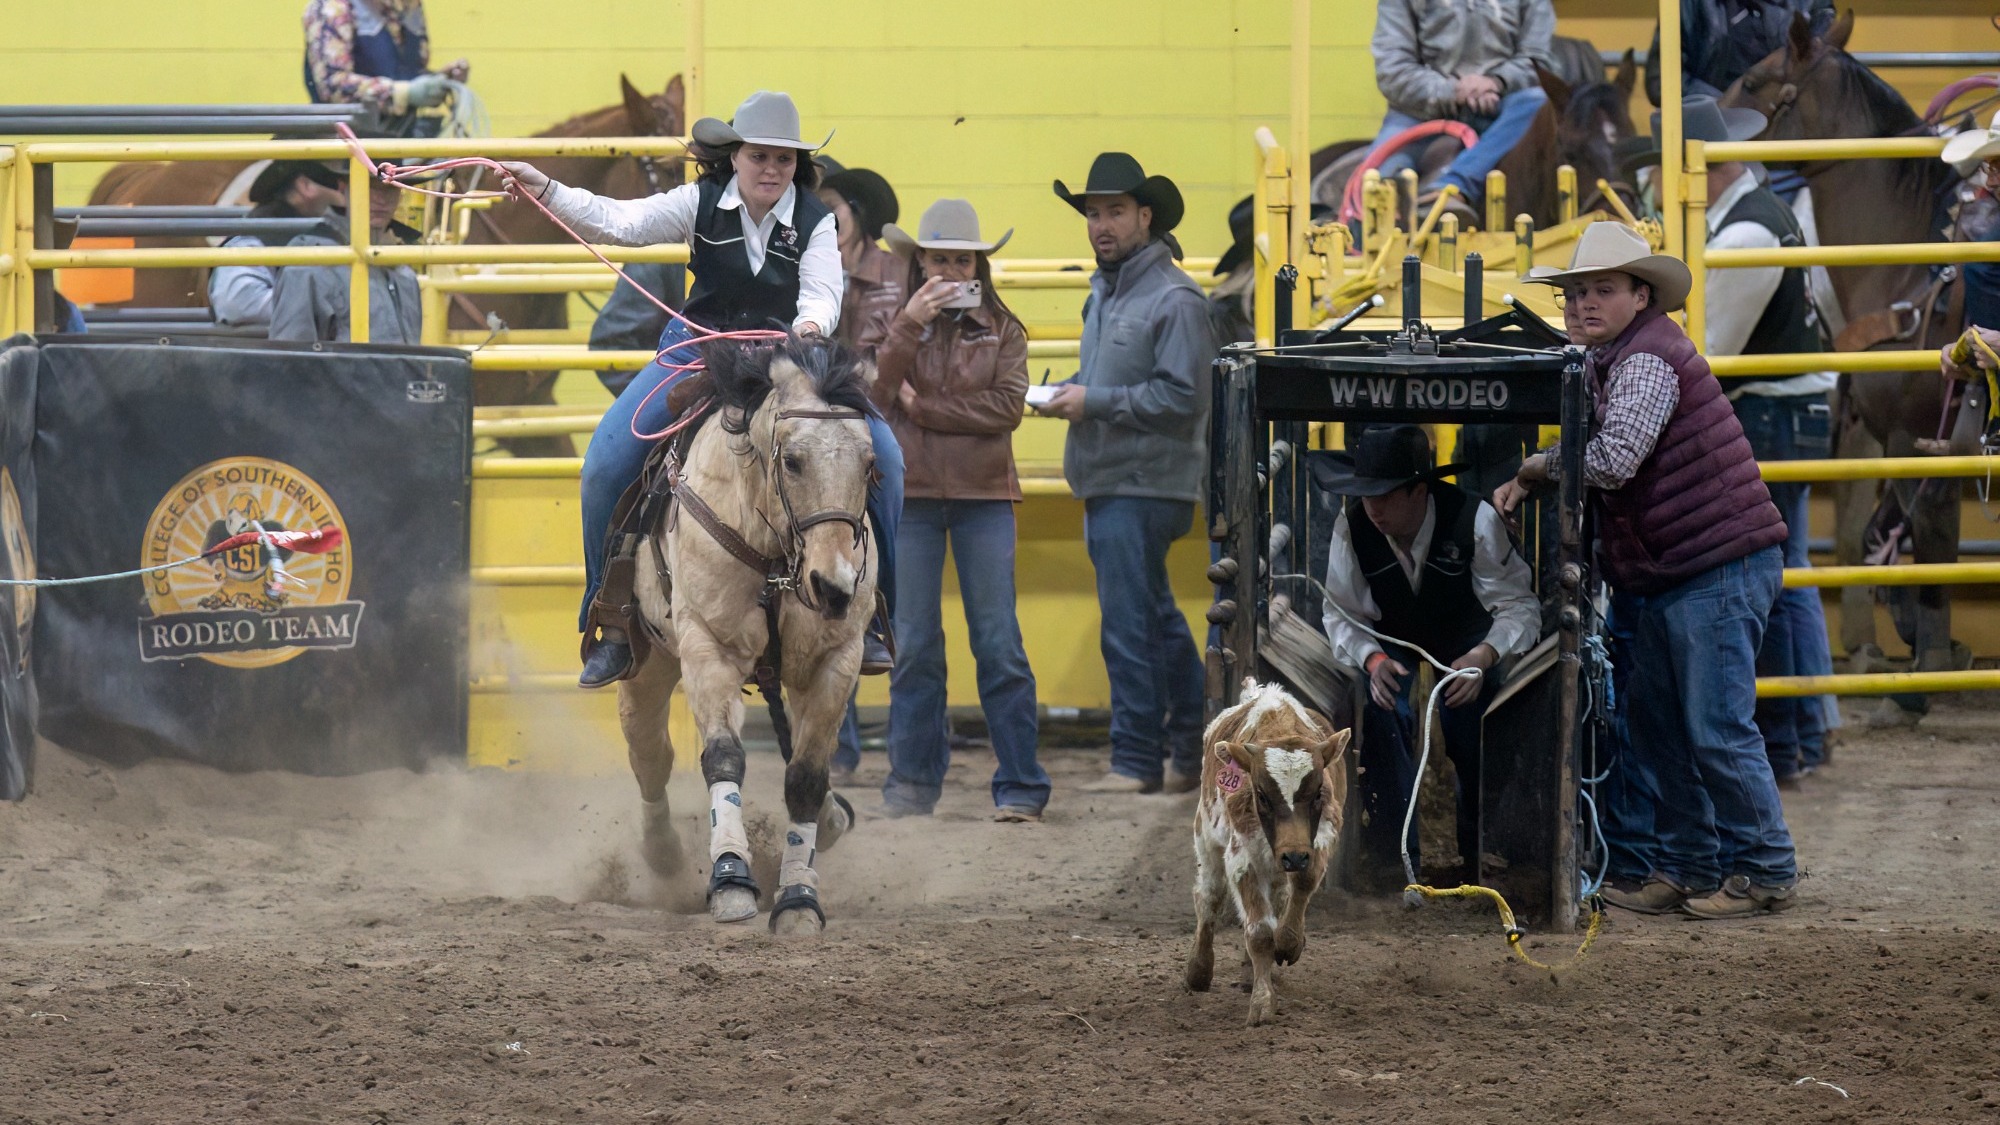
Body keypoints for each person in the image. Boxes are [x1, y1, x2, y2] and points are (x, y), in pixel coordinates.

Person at [496, 91, 903, 689]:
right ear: (735, 155)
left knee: (887, 460)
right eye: (759, 156)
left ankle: (872, 615)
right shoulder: (698, 202)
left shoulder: (816, 219)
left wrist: (807, 331)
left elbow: (821, 296)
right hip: (698, 351)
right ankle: (609, 618)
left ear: (797, 165)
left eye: (784, 160)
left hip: (789, 356)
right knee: (605, 464)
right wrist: (546, 190)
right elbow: (622, 221)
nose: (771, 169)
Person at [1497, 222, 1797, 919]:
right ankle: (1691, 864)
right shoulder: (1623, 356)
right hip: (1684, 565)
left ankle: (1764, 867)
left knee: (1713, 724)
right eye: (1574, 295)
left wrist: (1538, 468)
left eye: (1601, 291)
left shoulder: (1646, 359)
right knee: (1664, 725)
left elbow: (1614, 457)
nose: (1583, 307)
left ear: (1640, 295)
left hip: (1712, 561)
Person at [1036, 152, 1214, 794]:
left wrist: (1094, 402)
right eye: (1092, 212)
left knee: (1128, 624)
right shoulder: (1107, 293)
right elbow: (1128, 383)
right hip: (1117, 479)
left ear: (1145, 216)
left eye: (1114, 211)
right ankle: (1194, 748)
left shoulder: (1175, 299)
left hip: (1144, 483)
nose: (1101, 224)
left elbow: (1182, 398)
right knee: (1155, 617)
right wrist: (1075, 393)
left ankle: (1136, 760)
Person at [869, 199, 1049, 822]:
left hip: (983, 500)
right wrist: (907, 327)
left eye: (960, 258)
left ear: (978, 263)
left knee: (998, 644)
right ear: (918, 262)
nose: (948, 269)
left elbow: (1007, 410)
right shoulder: (894, 321)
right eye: (937, 257)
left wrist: (923, 411)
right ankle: (912, 785)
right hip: (913, 498)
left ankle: (1022, 785)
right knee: (914, 644)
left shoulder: (1005, 328)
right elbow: (870, 396)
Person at [1689, 95, 1837, 785]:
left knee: (1766, 578)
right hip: (1795, 411)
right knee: (1789, 574)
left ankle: (1788, 737)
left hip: (1773, 416)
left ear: (1701, 170)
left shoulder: (1744, 235)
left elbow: (1711, 345)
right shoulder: (1767, 216)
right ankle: (1809, 728)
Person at [1318, 425, 1540, 878]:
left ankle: (1482, 856)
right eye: (1365, 495)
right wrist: (1371, 658)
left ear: (1420, 491)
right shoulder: (1354, 524)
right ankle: (1394, 859)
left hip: (1466, 640)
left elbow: (1519, 605)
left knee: (1476, 727)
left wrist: (1486, 654)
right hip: (1390, 639)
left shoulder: (1472, 519)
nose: (1372, 508)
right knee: (1383, 718)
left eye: (1384, 495)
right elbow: (1340, 612)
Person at [813, 162, 905, 784]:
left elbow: (888, 362)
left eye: (832, 213)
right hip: (805, 411)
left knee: (888, 469)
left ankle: (879, 619)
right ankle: (830, 749)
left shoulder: (895, 277)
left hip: (853, 412)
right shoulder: (803, 257)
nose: (822, 224)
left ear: (857, 216)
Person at [1368, 0, 1556, 221]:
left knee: (1537, 102)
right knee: (1375, 187)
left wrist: (1496, 81)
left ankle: (1452, 186)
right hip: (1418, 113)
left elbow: (1538, 59)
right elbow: (1393, 69)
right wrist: (1453, 91)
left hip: (1504, 107)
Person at [267, 165, 423, 344]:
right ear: (343, 187)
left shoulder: (404, 274)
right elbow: (289, 356)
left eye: (390, 187)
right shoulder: (310, 262)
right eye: (370, 186)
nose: (381, 199)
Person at [211, 160, 347, 331]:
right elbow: (238, 304)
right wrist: (331, 305)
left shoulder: (341, 231)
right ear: (306, 186)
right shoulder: (256, 239)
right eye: (342, 182)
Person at [303, 0, 469, 134]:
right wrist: (406, 93)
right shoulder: (333, 8)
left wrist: (438, 82)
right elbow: (333, 87)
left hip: (399, 142)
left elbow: (403, 72)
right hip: (345, 149)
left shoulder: (409, 6)